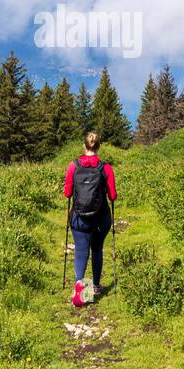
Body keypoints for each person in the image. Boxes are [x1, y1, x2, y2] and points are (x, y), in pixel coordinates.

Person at [64, 130, 116, 307]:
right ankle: (95, 287)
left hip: (80, 219)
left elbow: (67, 193)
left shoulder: (73, 166)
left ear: (84, 145)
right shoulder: (105, 167)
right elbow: (113, 196)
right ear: (98, 145)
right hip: (100, 219)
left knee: (81, 251)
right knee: (97, 250)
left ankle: (80, 288)